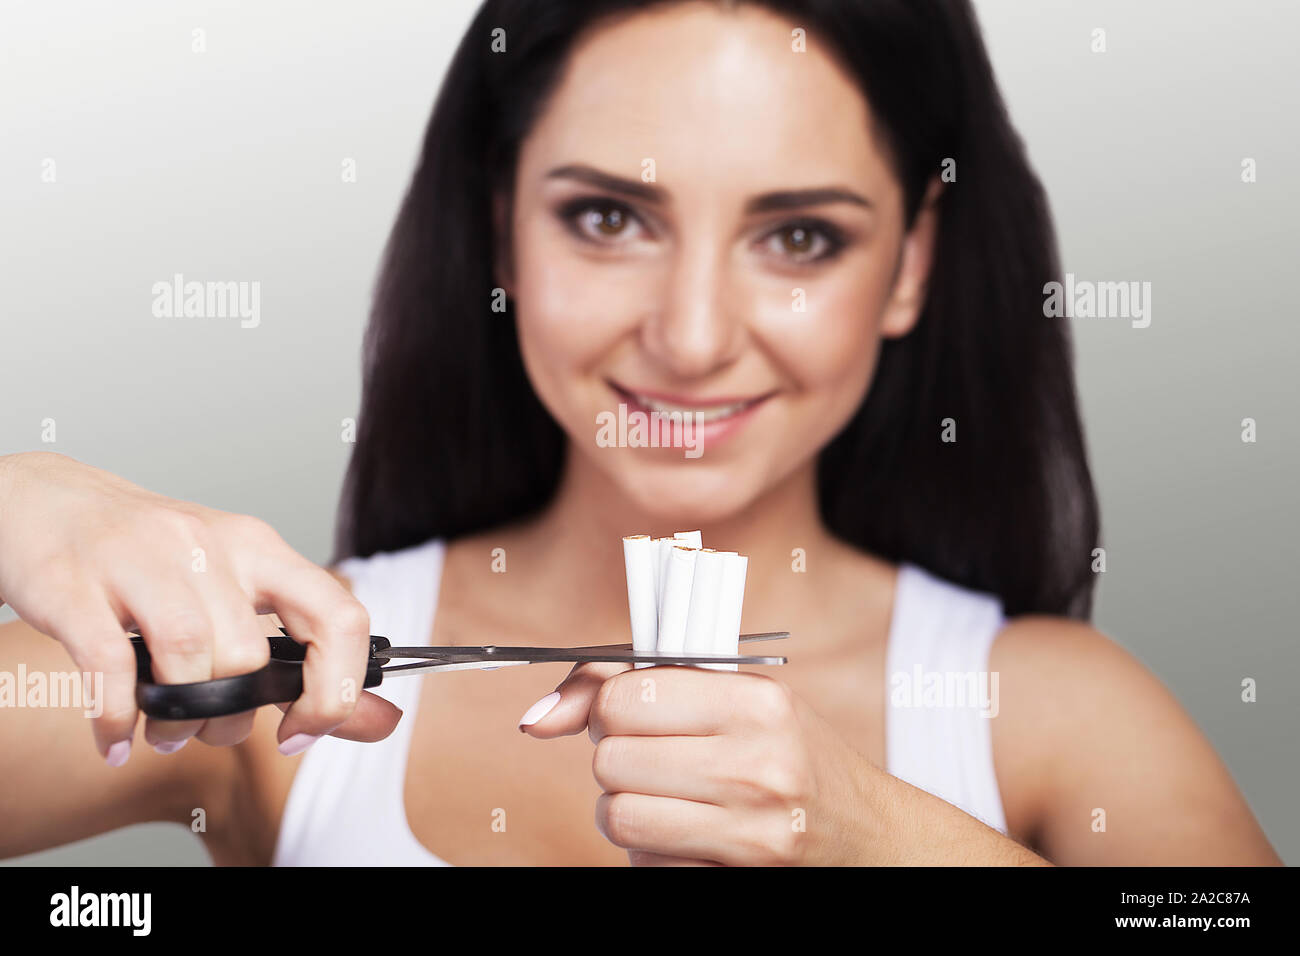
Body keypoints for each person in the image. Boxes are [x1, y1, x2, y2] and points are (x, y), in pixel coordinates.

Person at [0, 0, 1280, 866]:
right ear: (502, 223)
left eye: (799, 236)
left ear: (908, 265)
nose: (692, 334)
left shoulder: (1047, 711)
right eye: (610, 218)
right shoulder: (287, 685)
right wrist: (18, 502)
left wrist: (873, 835)